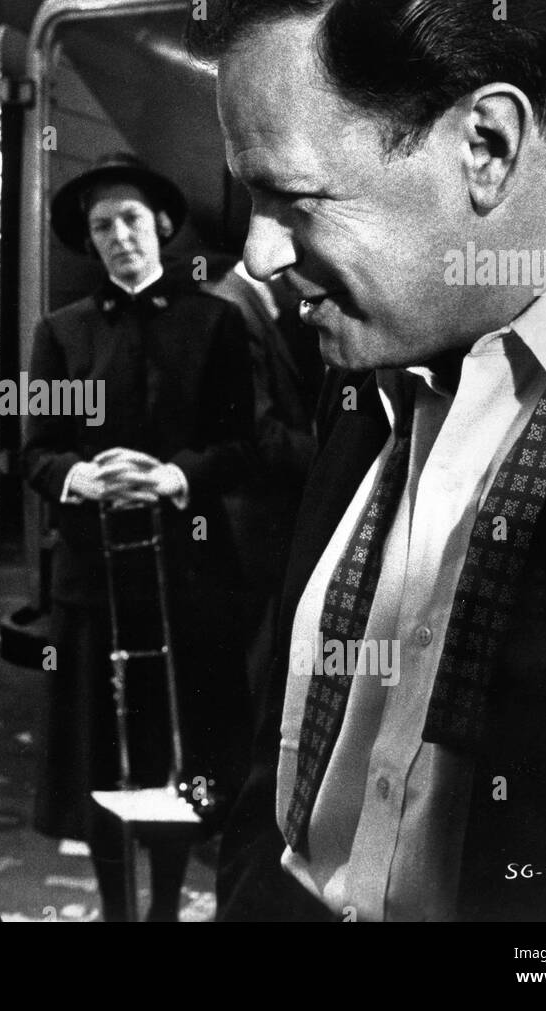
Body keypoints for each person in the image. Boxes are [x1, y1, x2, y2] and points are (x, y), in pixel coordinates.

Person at [187, 0, 546, 921]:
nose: (260, 256)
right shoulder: (385, 332)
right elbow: (289, 768)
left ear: (487, 146)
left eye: (294, 198)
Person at [23, 152, 255, 921]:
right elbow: (33, 452)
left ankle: (163, 908)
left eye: (129, 219)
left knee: (178, 755)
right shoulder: (61, 334)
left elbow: (242, 446)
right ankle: (117, 909)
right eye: (100, 225)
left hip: (186, 581)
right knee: (103, 759)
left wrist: (171, 477)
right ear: (89, 243)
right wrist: (79, 478)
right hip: (95, 586)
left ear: (159, 225)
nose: (118, 236)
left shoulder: (213, 323)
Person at [206, 260, 319, 736]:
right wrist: (334, 452)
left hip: (253, 518)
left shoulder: (244, 303)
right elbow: (258, 435)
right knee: (253, 669)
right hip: (251, 520)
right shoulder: (234, 309)